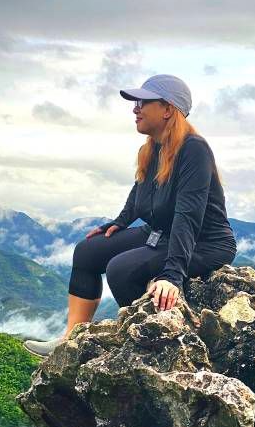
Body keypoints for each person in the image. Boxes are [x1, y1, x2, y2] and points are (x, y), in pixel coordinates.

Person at [24, 74, 236, 357]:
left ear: (167, 109)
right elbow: (140, 193)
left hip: (205, 243)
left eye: (143, 103)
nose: (135, 109)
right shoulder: (151, 148)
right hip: (160, 232)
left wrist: (172, 275)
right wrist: (120, 222)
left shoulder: (193, 149)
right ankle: (70, 340)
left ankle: (146, 346)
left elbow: (188, 216)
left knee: (121, 270)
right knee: (88, 251)